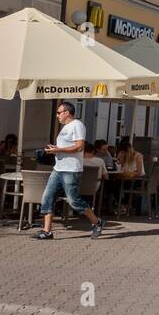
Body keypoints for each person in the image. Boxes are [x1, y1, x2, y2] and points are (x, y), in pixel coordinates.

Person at [34, 102, 103, 240]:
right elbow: (66, 147)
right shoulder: (65, 127)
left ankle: (97, 222)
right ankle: (47, 231)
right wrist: (54, 150)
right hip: (58, 168)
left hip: (70, 170)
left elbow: (79, 147)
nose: (57, 116)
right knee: (47, 198)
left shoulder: (77, 125)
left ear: (67, 112)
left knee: (74, 201)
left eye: (59, 113)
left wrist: (58, 149)